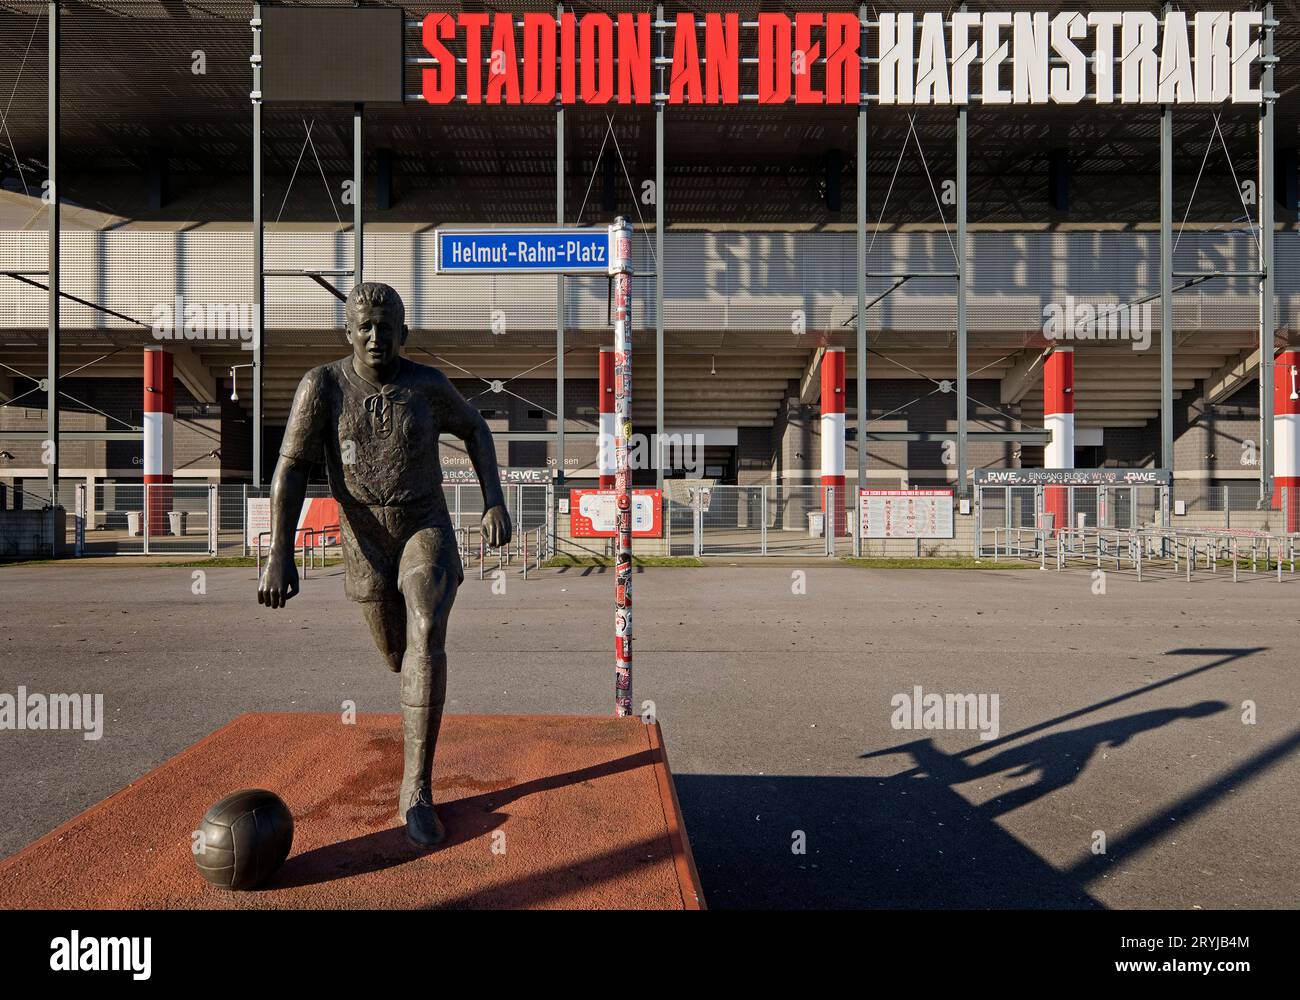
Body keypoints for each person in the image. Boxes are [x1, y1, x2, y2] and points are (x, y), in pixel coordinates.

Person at [256, 281, 511, 846]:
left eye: (387, 327)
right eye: (365, 327)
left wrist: (494, 500)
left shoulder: (427, 385)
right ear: (348, 331)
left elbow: (475, 427)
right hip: (364, 538)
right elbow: (292, 467)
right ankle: (411, 685)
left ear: (404, 333)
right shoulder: (321, 386)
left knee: (426, 628)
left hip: (424, 524)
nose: (376, 337)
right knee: (397, 654)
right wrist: (279, 553)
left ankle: (416, 790)